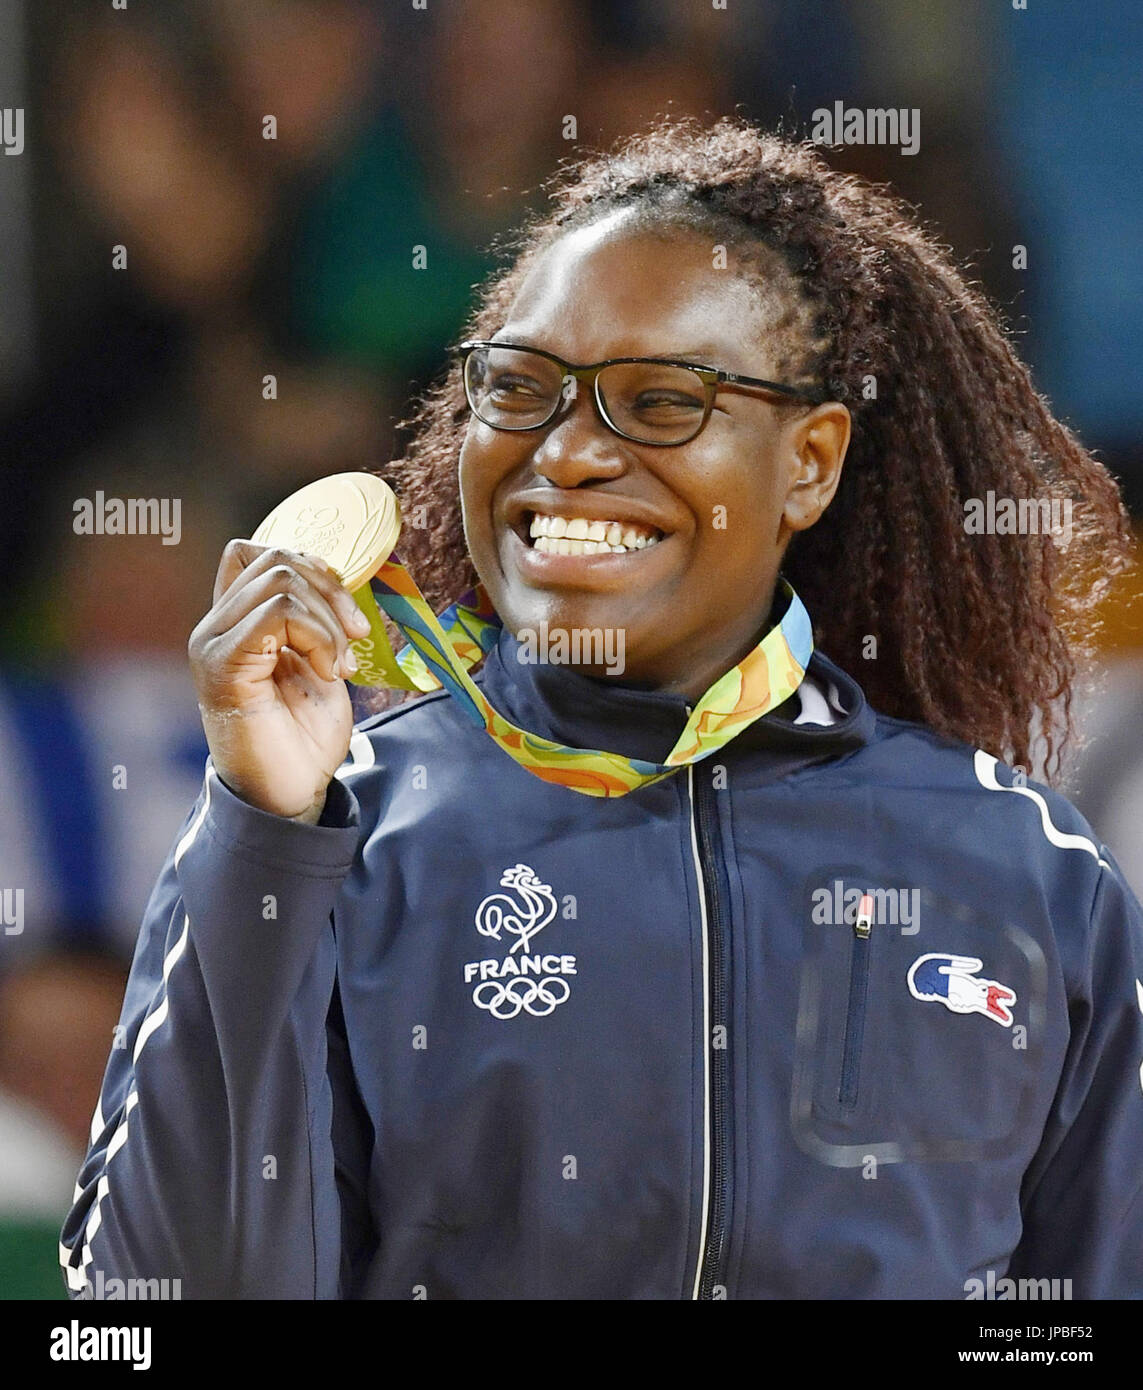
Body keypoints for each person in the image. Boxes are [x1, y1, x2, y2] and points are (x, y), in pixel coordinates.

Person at [60, 116, 1142, 1299]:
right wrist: (265, 836)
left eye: (664, 400)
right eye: (520, 388)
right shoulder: (334, 832)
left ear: (810, 462)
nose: (568, 452)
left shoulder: (1018, 869)